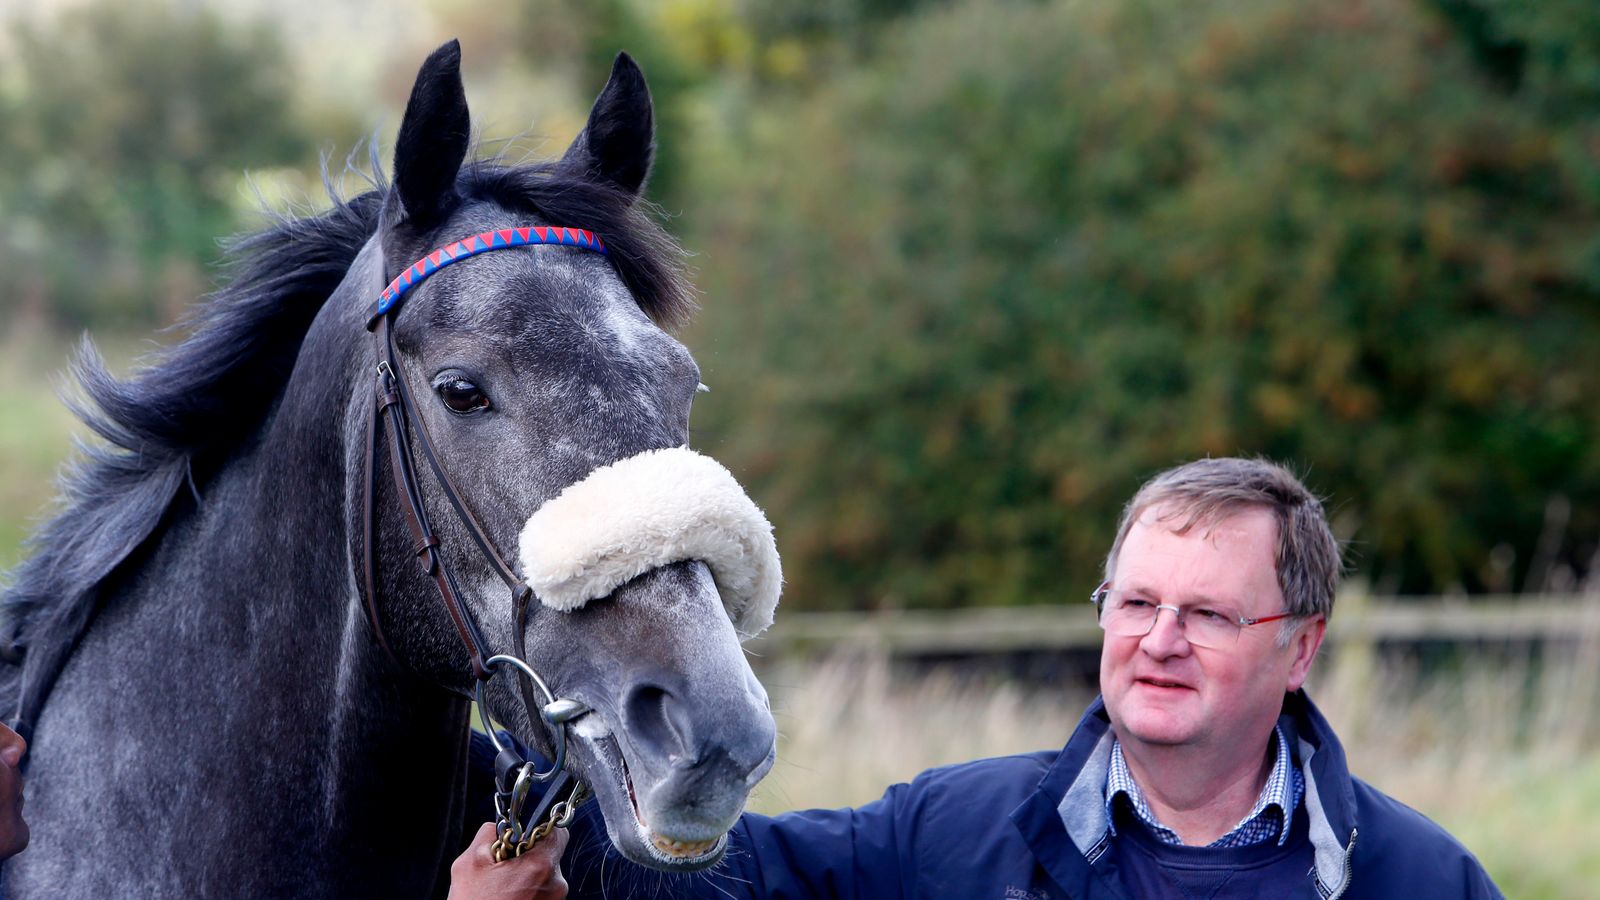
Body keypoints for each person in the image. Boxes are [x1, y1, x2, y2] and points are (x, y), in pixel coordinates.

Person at [484, 457, 1503, 898]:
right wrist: (513, 803)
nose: (1158, 640)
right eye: (1137, 603)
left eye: (1207, 614)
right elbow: (728, 883)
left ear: (1302, 647)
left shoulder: (1422, 881)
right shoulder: (952, 837)